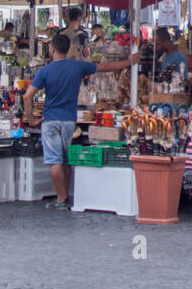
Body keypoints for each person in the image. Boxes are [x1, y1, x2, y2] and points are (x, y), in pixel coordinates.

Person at [22, 33, 137, 210]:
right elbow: (105, 66)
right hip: (69, 120)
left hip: (51, 119)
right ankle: (65, 196)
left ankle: (61, 199)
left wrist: (30, 119)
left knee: (55, 161)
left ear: (52, 48)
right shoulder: (77, 66)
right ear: (67, 49)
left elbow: (28, 96)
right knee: (66, 160)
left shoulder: (44, 71)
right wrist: (129, 61)